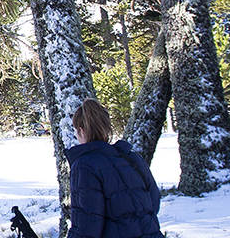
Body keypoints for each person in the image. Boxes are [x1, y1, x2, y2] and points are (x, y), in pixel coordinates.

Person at [65, 99, 163, 238]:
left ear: (81, 130)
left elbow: (86, 225)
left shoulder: (84, 165)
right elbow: (153, 201)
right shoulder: (131, 158)